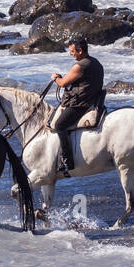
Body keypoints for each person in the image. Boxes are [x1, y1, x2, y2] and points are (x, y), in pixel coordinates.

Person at [49, 36, 105, 175]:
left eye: (72, 51)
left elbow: (63, 83)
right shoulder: (96, 62)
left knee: (59, 125)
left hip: (80, 104)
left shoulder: (79, 66)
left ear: (80, 51)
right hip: (93, 101)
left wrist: (56, 78)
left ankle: (67, 160)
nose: (70, 53)